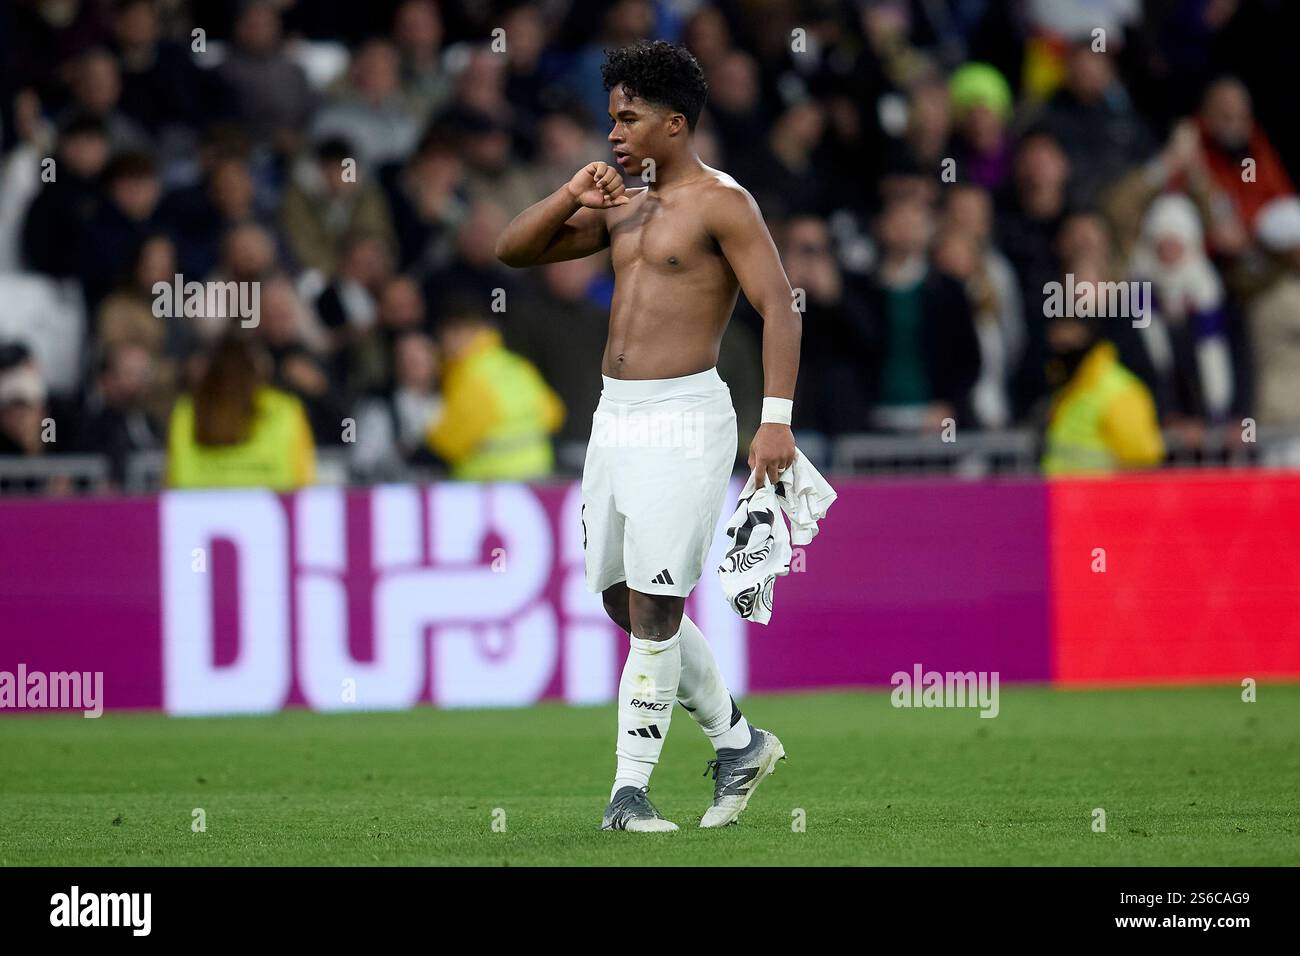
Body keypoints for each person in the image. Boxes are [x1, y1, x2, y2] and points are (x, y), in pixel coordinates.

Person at [495, 40, 797, 832]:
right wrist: (569, 194)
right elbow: (513, 249)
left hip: (686, 419)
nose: (615, 135)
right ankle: (739, 741)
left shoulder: (723, 203)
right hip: (615, 416)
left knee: (659, 605)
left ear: (674, 122)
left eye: (628, 119)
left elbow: (782, 306)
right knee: (619, 599)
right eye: (610, 119)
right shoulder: (623, 203)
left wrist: (776, 420)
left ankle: (628, 792)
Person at [167, 332, 315, 490]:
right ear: (259, 367)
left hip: (196, 507)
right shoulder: (285, 408)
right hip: (273, 505)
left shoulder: (186, 409)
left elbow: (173, 475)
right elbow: (304, 478)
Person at [1040, 314, 1165, 475]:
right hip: (1063, 497)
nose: (1059, 340)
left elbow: (1142, 463)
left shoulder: (1121, 390)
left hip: (1100, 497)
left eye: (1068, 329)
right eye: (1055, 331)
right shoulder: (1070, 387)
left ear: (1087, 332)